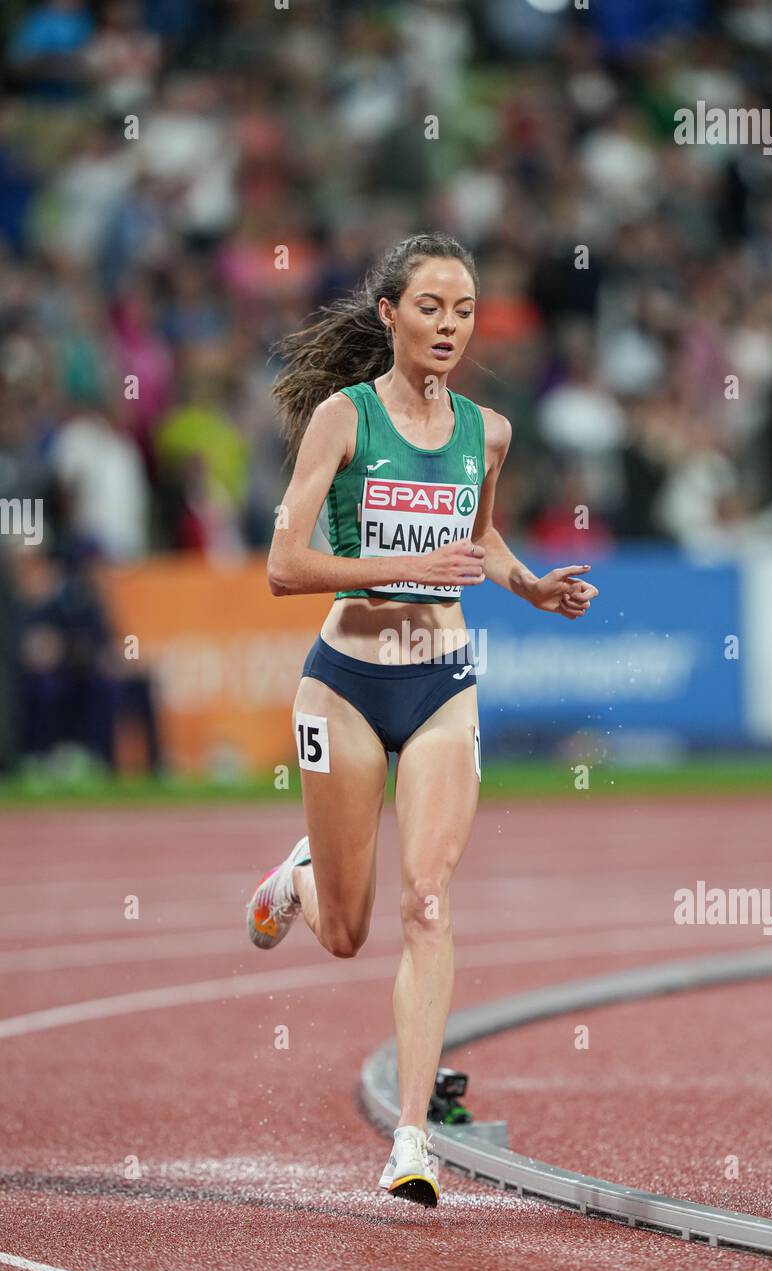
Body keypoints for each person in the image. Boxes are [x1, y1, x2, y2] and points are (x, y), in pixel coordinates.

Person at [245, 232, 598, 1206]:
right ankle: (304, 875)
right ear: (389, 315)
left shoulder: (487, 431)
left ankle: (409, 1140)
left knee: (428, 899)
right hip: (346, 681)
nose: (449, 325)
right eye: (430, 307)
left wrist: (527, 585)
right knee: (350, 933)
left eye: (463, 310)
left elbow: (476, 535)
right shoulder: (341, 420)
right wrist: (395, 570)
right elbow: (284, 566)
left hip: (441, 680)